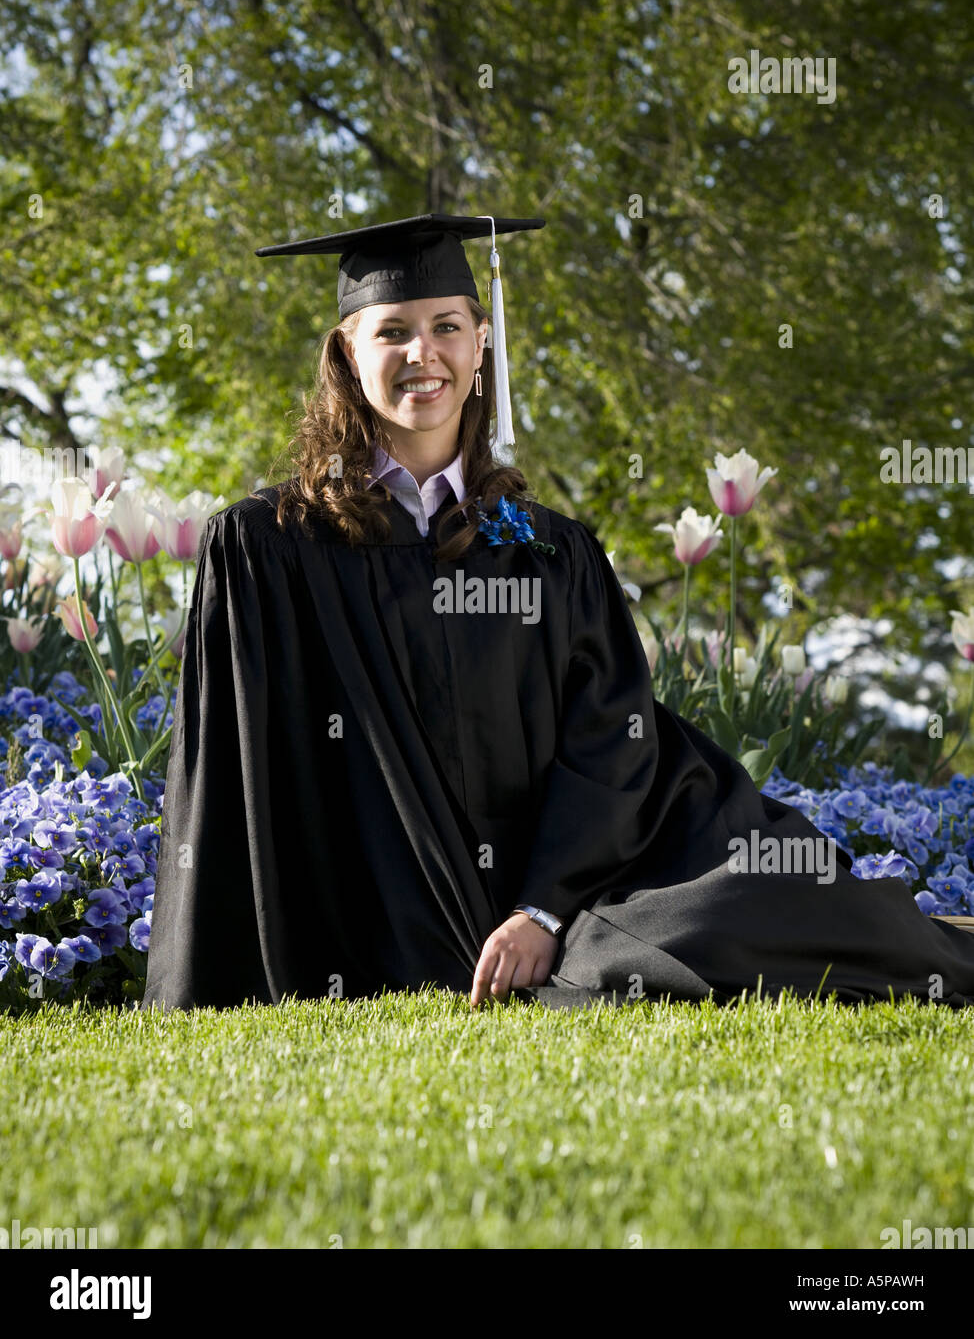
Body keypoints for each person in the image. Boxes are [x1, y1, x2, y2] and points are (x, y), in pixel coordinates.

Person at [140, 213, 974, 1015]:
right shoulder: (269, 547)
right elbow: (237, 777)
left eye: (446, 327)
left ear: (480, 346)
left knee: (754, 912)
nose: (420, 354)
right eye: (391, 331)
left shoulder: (548, 549)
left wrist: (542, 908)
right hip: (391, 923)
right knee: (619, 970)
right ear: (345, 355)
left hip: (580, 882)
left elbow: (611, 734)